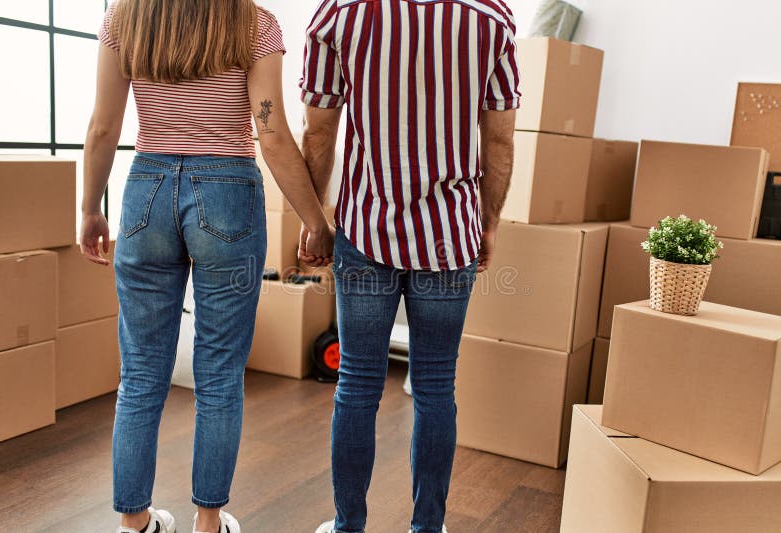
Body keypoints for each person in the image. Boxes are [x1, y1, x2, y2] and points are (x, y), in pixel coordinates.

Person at [80, 1, 334, 532]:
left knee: (142, 372)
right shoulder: (254, 23)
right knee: (219, 374)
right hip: (228, 190)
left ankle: (134, 524)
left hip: (145, 190)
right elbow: (272, 132)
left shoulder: (124, 19)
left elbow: (104, 127)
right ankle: (208, 523)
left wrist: (89, 208)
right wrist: (315, 220)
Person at [300, 1, 521, 532]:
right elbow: (500, 141)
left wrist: (313, 220)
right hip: (449, 234)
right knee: (435, 386)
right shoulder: (490, 17)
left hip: (366, 228)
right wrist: (488, 222)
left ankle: (347, 526)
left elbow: (319, 135)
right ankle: (428, 527)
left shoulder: (340, 13)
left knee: (356, 385)